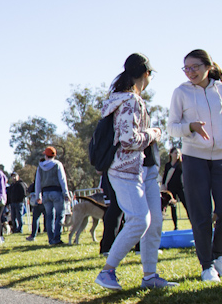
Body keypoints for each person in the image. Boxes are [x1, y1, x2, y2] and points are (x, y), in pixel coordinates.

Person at [94, 53, 177, 290]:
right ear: (147, 74)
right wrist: (154, 133)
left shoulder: (122, 99)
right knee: (140, 220)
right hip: (126, 169)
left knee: (154, 222)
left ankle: (150, 276)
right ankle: (107, 270)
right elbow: (129, 139)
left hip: (142, 168)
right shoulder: (131, 101)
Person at [167, 49, 222, 282]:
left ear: (208, 66)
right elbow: (172, 128)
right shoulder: (181, 92)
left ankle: (218, 255)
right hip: (194, 159)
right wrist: (191, 127)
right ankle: (207, 265)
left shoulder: (220, 89)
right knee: (200, 214)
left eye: (195, 67)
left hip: (221, 158)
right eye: (186, 68)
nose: (190, 72)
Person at [35, 147, 72, 245]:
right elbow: (62, 180)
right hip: (57, 192)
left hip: (45, 193)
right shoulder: (57, 164)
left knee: (49, 216)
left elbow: (38, 182)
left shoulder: (40, 166)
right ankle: (57, 238)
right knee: (60, 215)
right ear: (54, 155)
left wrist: (38, 195)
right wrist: (66, 193)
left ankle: (51, 239)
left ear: (46, 155)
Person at [161, 147, 189, 230]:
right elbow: (165, 177)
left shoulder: (181, 164)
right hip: (171, 189)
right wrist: (163, 187)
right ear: (171, 154)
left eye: (178, 153)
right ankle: (175, 226)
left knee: (186, 205)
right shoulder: (168, 165)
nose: (177, 155)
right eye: (175, 153)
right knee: (173, 207)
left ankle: (193, 224)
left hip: (180, 188)